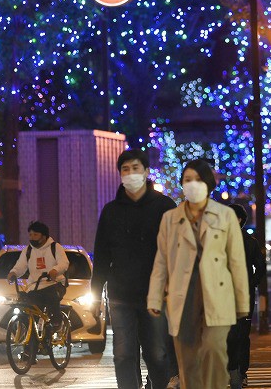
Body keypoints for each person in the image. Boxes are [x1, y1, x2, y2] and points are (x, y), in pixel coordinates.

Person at [147, 158, 249, 389]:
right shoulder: (171, 218)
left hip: (216, 293)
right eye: (187, 180)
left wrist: (242, 301)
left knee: (214, 352)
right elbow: (161, 260)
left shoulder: (225, 216)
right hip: (183, 294)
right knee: (188, 360)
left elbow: (236, 261)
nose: (192, 185)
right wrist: (154, 296)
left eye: (198, 181)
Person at [90, 149, 177, 389]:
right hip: (121, 296)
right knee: (123, 354)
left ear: (146, 172)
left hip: (156, 297)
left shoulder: (165, 207)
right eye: (125, 169)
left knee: (157, 355)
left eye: (136, 168)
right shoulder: (111, 211)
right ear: (120, 174)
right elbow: (102, 255)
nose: (130, 174)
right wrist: (96, 293)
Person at [226, 203, 266, 389]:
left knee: (239, 334)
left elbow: (260, 266)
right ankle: (237, 371)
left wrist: (251, 282)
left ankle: (238, 371)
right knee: (237, 334)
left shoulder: (249, 242)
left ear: (240, 220)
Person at [7, 221, 69, 330]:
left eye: (35, 235)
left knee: (51, 298)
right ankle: (31, 336)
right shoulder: (28, 250)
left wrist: (55, 270)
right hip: (35, 286)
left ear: (44, 236)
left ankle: (56, 322)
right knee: (28, 306)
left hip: (55, 284)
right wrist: (14, 272)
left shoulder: (55, 247)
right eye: (30, 235)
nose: (32, 237)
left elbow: (64, 263)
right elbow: (21, 265)